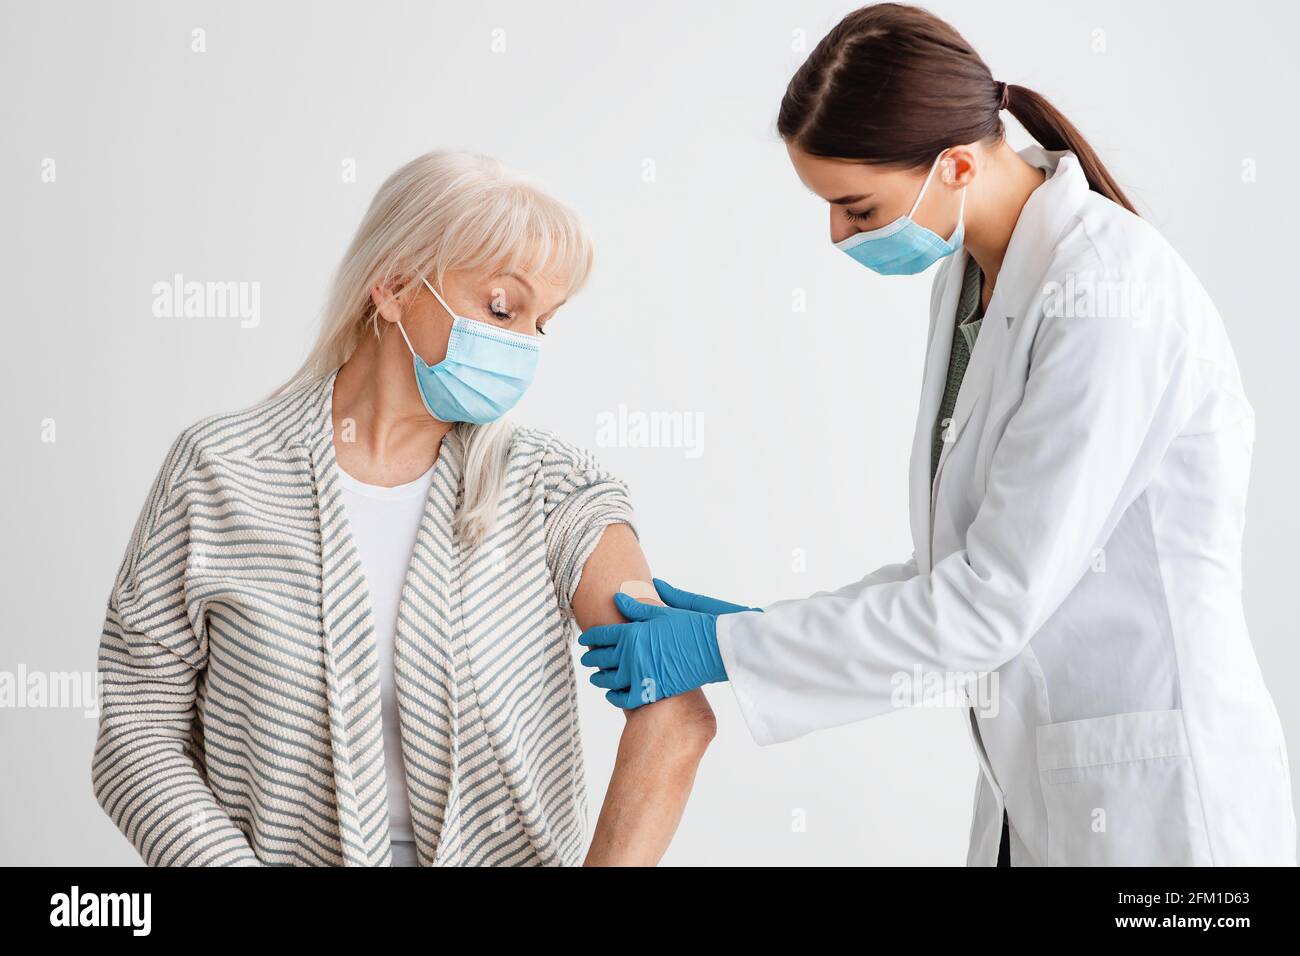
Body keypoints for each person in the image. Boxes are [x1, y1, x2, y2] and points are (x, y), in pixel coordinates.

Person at [579, 3, 1296, 866]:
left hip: (1164, 812)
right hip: (1040, 792)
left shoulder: (1109, 295)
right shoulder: (971, 277)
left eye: (854, 206)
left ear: (954, 165)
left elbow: (986, 604)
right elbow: (954, 573)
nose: (837, 234)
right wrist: (764, 626)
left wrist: (730, 650)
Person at [91, 150, 715, 867]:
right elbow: (136, 731)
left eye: (542, 323)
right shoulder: (220, 471)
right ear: (391, 286)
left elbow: (673, 712)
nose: (521, 347)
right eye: (502, 308)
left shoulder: (556, 490)